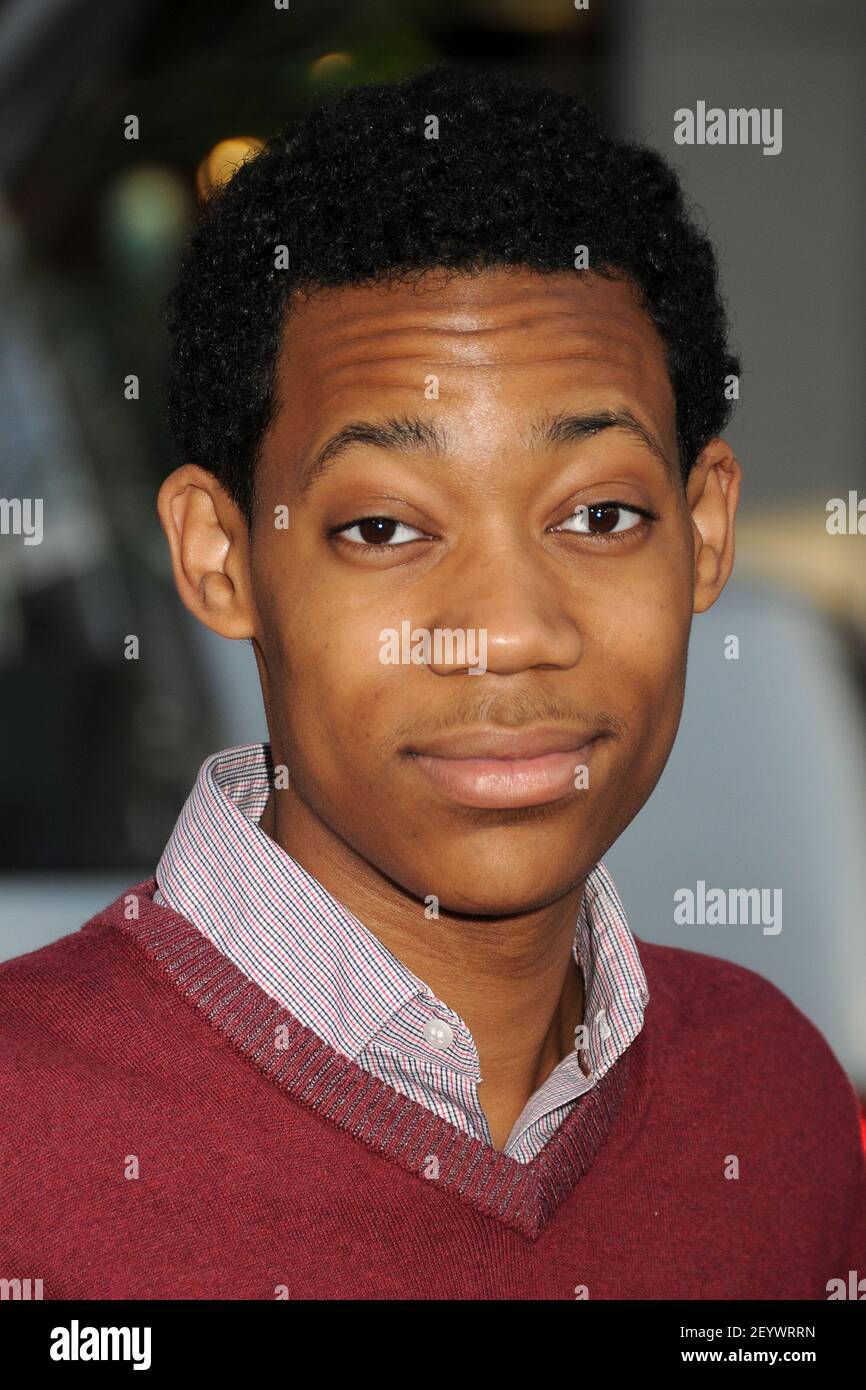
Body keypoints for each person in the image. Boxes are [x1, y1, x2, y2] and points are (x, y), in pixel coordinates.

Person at [2, 64, 864, 1301]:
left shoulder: (772, 1102)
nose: (506, 632)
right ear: (221, 558)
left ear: (706, 533)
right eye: (383, 529)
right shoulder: (19, 1139)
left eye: (602, 512)